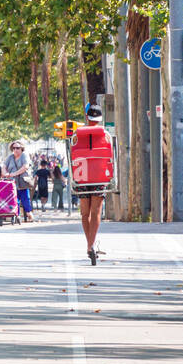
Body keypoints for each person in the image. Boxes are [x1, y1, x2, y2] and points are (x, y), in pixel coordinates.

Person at [77, 103, 107, 263]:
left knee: (84, 213)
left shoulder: (78, 134)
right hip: (99, 175)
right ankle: (91, 245)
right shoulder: (104, 134)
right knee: (96, 212)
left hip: (82, 175)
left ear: (87, 117)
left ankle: (89, 245)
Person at [4, 141, 33, 222]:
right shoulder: (10, 157)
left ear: (21, 148)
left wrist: (14, 173)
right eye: (14, 148)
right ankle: (16, 215)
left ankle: (28, 213)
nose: (15, 150)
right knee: (14, 200)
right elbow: (4, 166)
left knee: (25, 199)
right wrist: (5, 173)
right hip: (13, 183)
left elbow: (25, 166)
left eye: (17, 148)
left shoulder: (24, 155)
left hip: (23, 182)